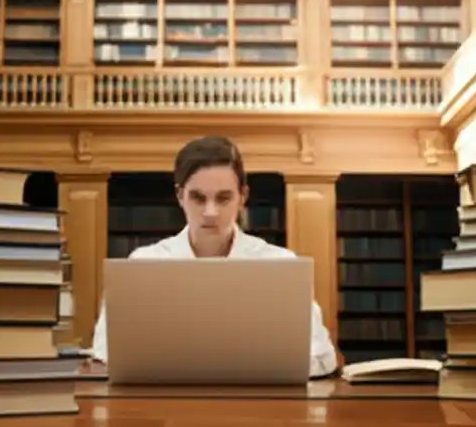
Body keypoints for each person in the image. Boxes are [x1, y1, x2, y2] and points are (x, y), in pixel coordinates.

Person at [90, 135, 338, 378]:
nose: (210, 212)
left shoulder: (281, 265)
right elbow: (105, 355)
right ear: (179, 196)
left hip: (257, 405)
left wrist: (243, 369)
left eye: (223, 198)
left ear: (243, 197)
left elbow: (324, 357)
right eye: (198, 198)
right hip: (165, 405)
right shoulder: (141, 265)